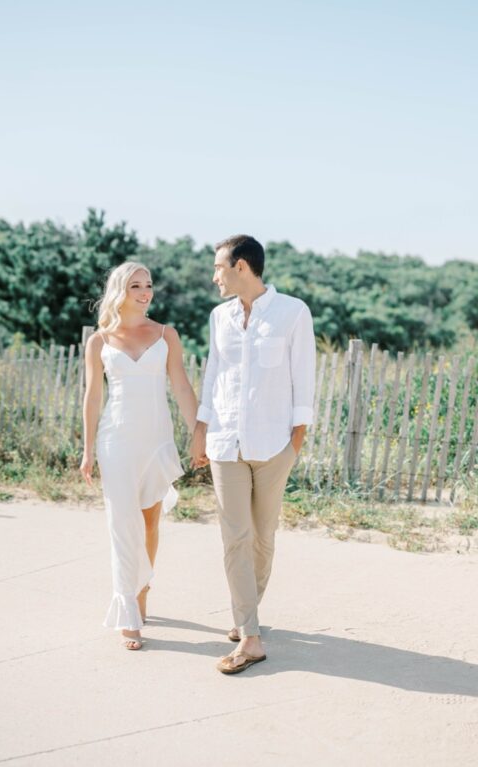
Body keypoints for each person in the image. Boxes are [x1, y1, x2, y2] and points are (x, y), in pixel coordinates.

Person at [190, 234, 316, 675]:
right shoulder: (219, 317)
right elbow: (213, 376)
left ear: (241, 266)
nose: (214, 276)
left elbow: (304, 378)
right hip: (226, 443)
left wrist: (295, 442)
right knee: (234, 536)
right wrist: (201, 431)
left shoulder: (293, 313)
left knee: (263, 537)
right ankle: (250, 635)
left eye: (218, 267)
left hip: (274, 445)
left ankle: (248, 612)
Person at [81, 261, 198, 650]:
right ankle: (127, 609)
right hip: (115, 440)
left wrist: (198, 431)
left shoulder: (166, 335)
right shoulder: (99, 341)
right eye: (135, 285)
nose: (145, 292)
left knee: (149, 523)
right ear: (120, 289)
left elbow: (181, 385)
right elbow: (93, 396)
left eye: (148, 285)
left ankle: (142, 589)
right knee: (122, 524)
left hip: (157, 439)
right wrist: (86, 449)